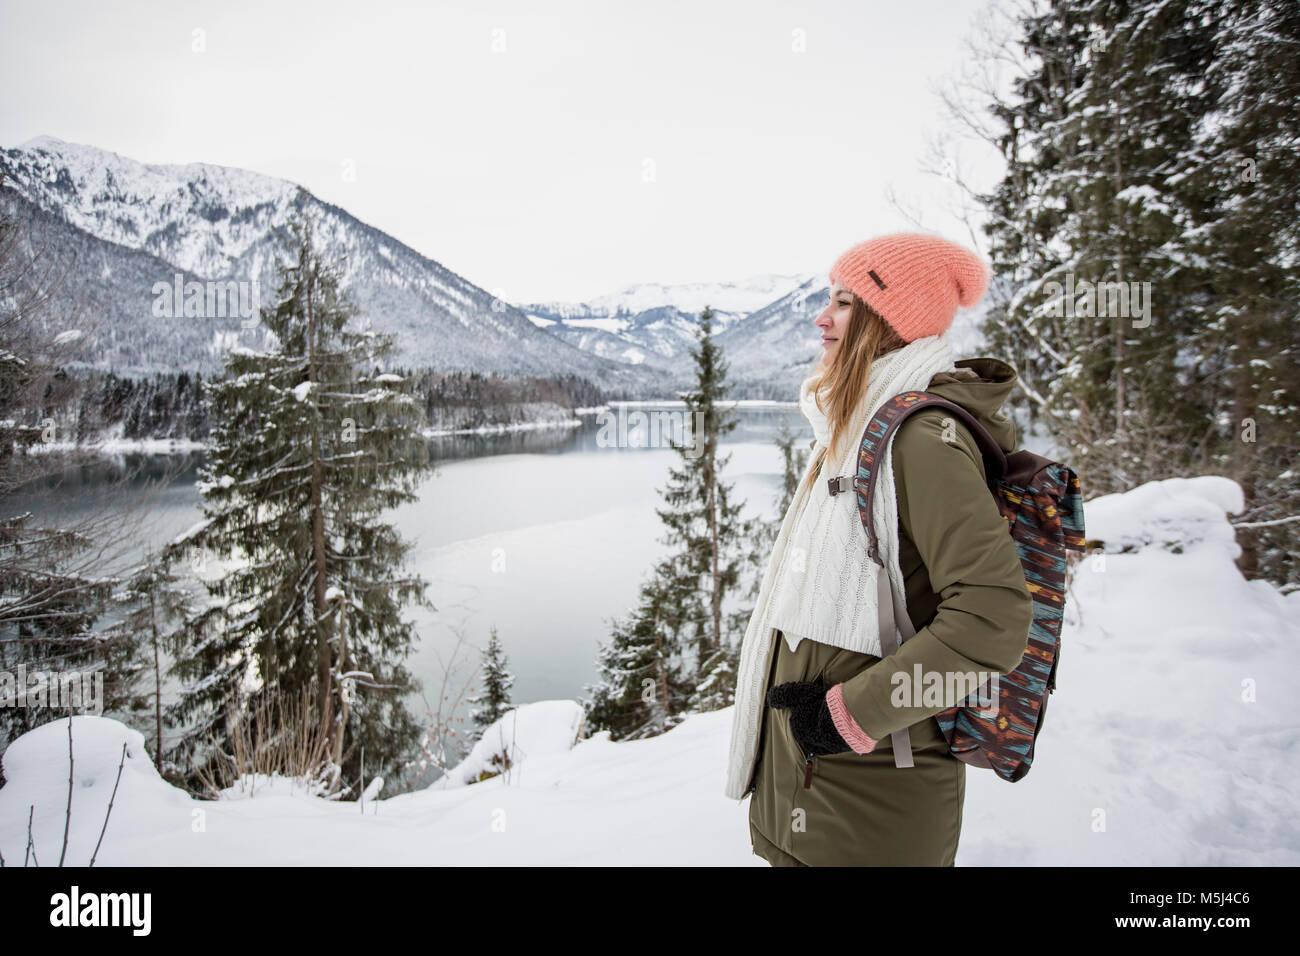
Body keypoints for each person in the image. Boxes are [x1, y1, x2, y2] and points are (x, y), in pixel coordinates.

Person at [723, 232, 1034, 866]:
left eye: (843, 302)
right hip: (813, 794)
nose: (822, 317)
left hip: (870, 809)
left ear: (888, 320)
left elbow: (993, 619)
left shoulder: (921, 439)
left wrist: (847, 716)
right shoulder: (855, 427)